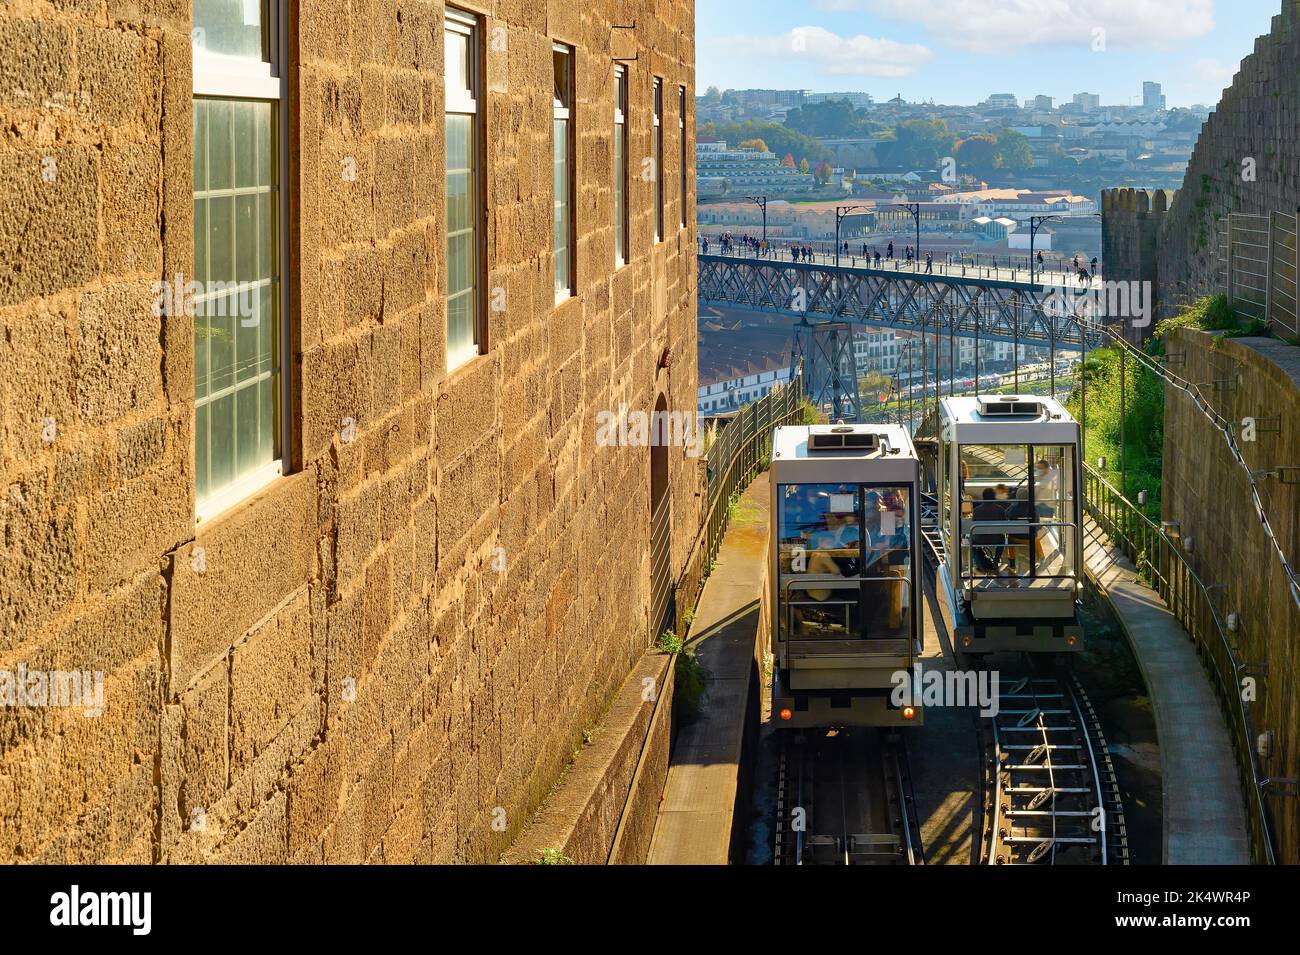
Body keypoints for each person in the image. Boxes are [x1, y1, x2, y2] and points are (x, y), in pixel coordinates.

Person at [971, 489, 1007, 573]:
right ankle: (996, 560)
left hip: (979, 539)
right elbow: (1004, 526)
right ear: (994, 498)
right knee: (1003, 539)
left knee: (971, 541)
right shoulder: (1000, 509)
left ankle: (977, 562)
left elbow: (973, 525)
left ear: (983, 498)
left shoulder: (977, 510)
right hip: (996, 539)